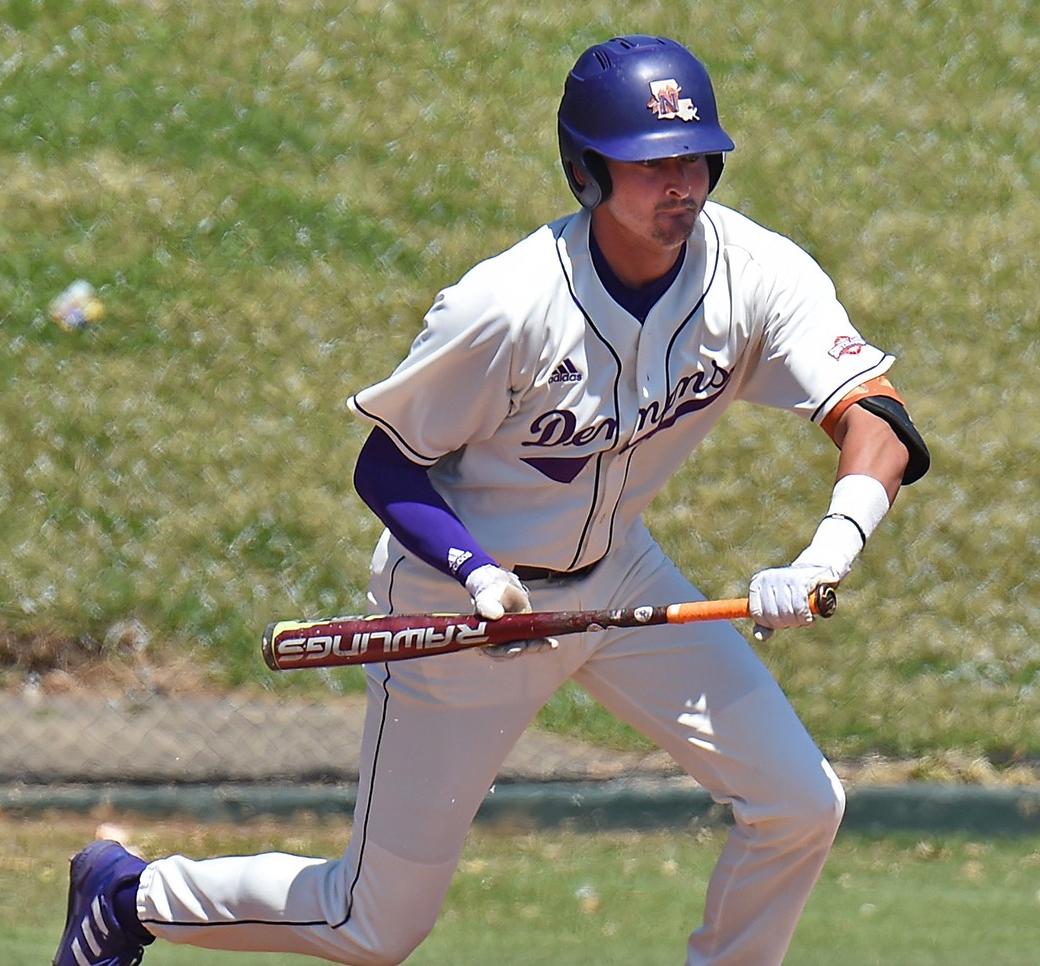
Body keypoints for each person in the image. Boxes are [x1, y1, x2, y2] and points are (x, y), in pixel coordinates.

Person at [53, 33, 928, 966]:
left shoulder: (756, 273)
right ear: (586, 172)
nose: (680, 182)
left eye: (695, 156)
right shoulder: (505, 307)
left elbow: (877, 417)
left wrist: (828, 550)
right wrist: (474, 571)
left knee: (801, 803)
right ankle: (129, 893)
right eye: (649, 162)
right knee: (375, 924)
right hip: (459, 603)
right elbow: (385, 468)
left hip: (620, 577)